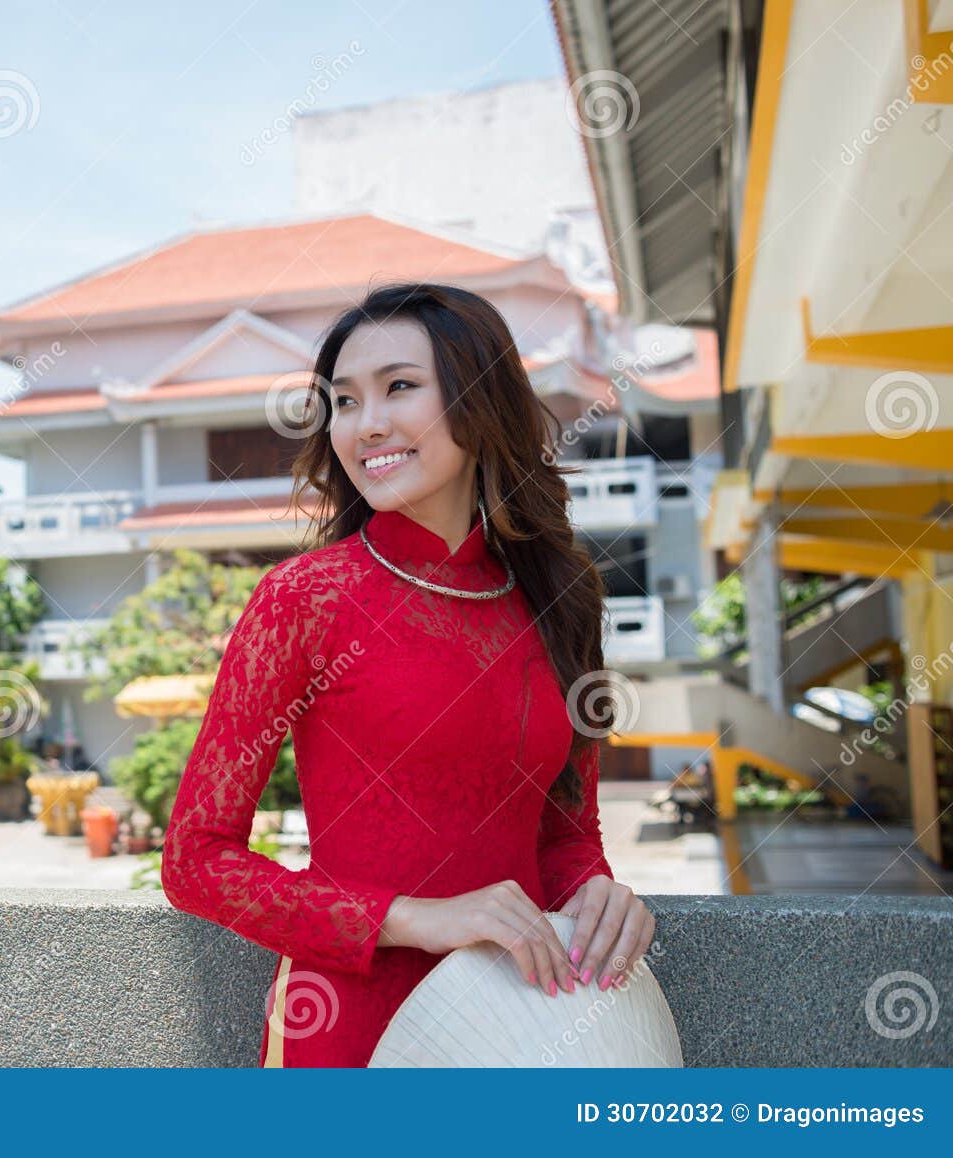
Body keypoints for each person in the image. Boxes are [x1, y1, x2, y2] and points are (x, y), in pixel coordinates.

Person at [159, 283, 657, 1068]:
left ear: (479, 400)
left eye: (399, 387)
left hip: (526, 1029)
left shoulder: (555, 604)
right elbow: (196, 862)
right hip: (352, 1022)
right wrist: (416, 919)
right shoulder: (305, 600)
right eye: (345, 402)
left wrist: (599, 894)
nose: (368, 425)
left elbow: (564, 835)